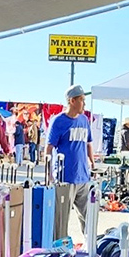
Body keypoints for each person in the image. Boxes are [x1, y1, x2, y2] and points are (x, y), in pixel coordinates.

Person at [46, 84, 94, 235]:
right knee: (61, 220)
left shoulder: (84, 120)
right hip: (64, 177)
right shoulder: (58, 121)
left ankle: (90, 247)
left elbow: (88, 144)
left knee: (88, 218)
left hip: (83, 176)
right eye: (81, 100)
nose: (84, 104)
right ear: (72, 101)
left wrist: (92, 162)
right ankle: (59, 249)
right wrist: (48, 174)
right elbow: (49, 148)